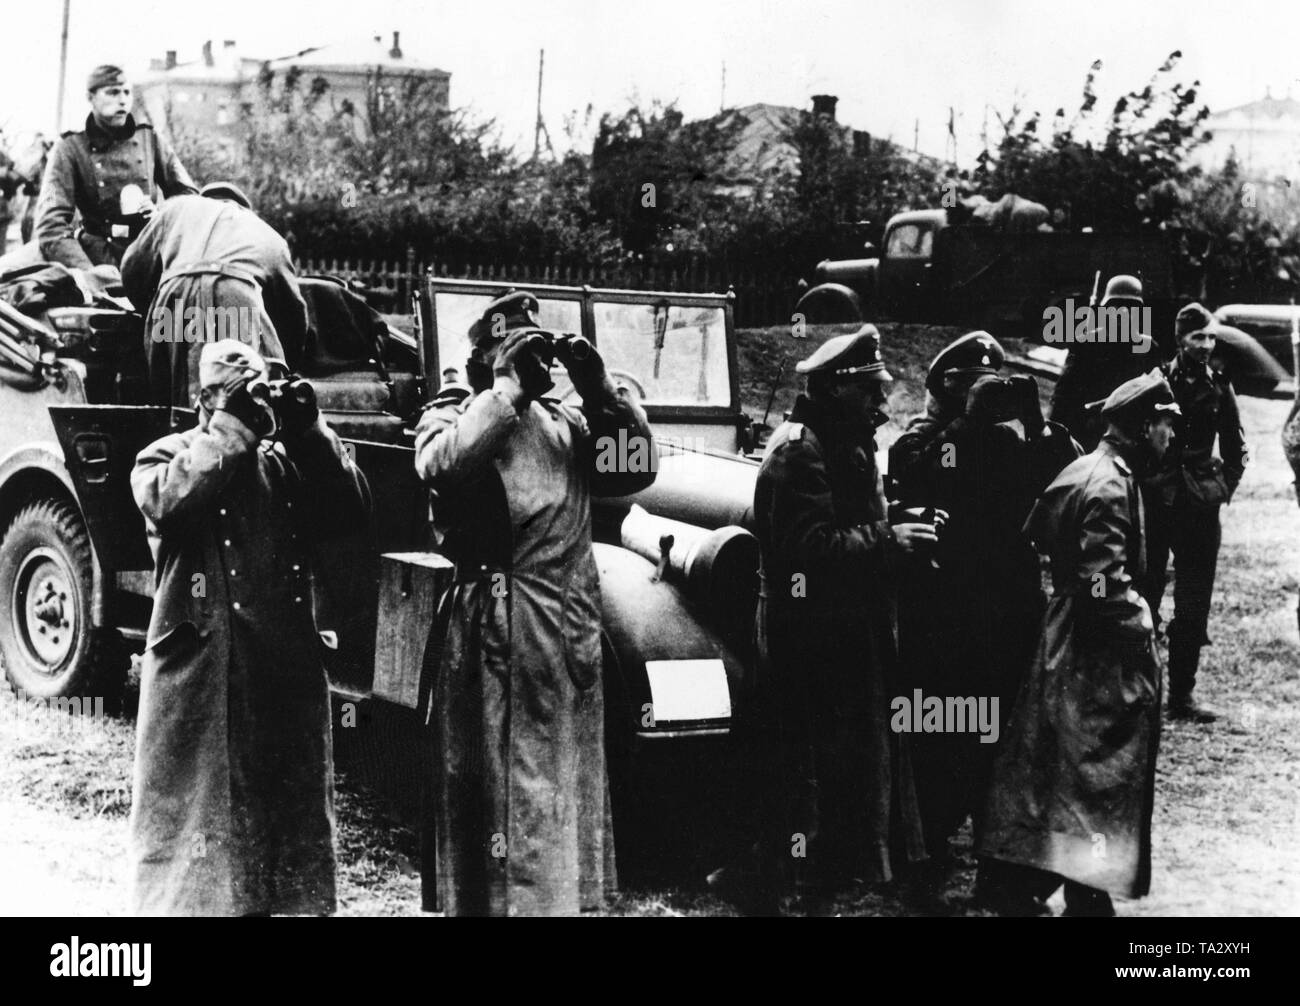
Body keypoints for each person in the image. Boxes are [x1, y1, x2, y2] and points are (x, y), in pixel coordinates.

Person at [413, 290, 656, 916]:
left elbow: (634, 469)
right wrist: (504, 392)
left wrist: (601, 392)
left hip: (565, 633)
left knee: (561, 792)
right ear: (488, 359)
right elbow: (442, 466)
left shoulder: (569, 423)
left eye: (536, 348)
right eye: (517, 350)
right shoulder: (453, 416)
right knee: (500, 794)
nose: (534, 363)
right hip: (499, 632)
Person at [129, 339, 370, 916]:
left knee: (282, 815)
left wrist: (308, 430)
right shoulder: (167, 454)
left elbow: (349, 509)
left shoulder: (285, 464)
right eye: (232, 391)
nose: (250, 403)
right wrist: (232, 428)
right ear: (202, 398)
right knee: (200, 816)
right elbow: (168, 500)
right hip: (206, 670)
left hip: (278, 670)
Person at [710, 326, 933, 914]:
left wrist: (897, 523)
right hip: (805, 632)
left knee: (837, 760)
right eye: (871, 392)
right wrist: (889, 538)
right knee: (802, 763)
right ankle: (771, 881)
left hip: (841, 627)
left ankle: (812, 876)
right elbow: (807, 550)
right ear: (838, 388)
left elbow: (844, 522)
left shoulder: (842, 440)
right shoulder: (799, 450)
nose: (883, 404)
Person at [979, 369, 1179, 917]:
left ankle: (1048, 887)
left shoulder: (1091, 471)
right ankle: (1067, 892)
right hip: (1093, 651)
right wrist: (1145, 626)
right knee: (1090, 774)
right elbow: (1102, 585)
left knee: (1061, 771)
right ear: (1141, 427)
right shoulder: (1110, 485)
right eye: (1164, 425)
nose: (1170, 436)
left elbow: (1040, 531)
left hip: (1070, 638)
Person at [889, 332, 1080, 899]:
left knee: (1005, 738)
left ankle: (999, 864)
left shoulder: (1013, 441)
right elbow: (917, 470)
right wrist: (969, 422)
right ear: (946, 391)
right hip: (946, 613)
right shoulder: (927, 438)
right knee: (942, 734)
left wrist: (1039, 423)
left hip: (1007, 610)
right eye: (977, 387)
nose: (989, 398)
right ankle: (925, 853)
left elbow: (1062, 480)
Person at [1142, 303, 1248, 722]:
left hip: (1200, 505)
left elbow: (1236, 448)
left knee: (1193, 600)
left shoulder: (1220, 385)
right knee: (1145, 593)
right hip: (1159, 499)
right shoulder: (1156, 383)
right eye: (1196, 337)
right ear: (1179, 340)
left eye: (1210, 337)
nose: (1206, 345)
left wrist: (1222, 489)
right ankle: (1142, 692)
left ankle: (1181, 695)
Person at [122, 182, 309, 407]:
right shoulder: (268, 235)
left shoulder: (177, 208)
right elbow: (292, 316)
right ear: (243, 208)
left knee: (172, 399)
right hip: (234, 300)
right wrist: (285, 362)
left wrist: (149, 310)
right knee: (239, 399)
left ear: (205, 198)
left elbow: (133, 269)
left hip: (171, 298)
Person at [34, 65, 196, 270]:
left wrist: (162, 214)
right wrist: (90, 274)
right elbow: (51, 225)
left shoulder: (149, 138)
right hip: (97, 259)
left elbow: (189, 198)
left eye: (127, 92)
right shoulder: (71, 147)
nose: (123, 100)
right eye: (113, 92)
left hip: (151, 256)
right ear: (90, 97)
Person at [1049, 274, 1164, 451]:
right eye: (1117, 306)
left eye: (1131, 307)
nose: (1124, 312)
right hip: (1088, 432)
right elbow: (1063, 398)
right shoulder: (1085, 344)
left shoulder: (1147, 347)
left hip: (1130, 433)